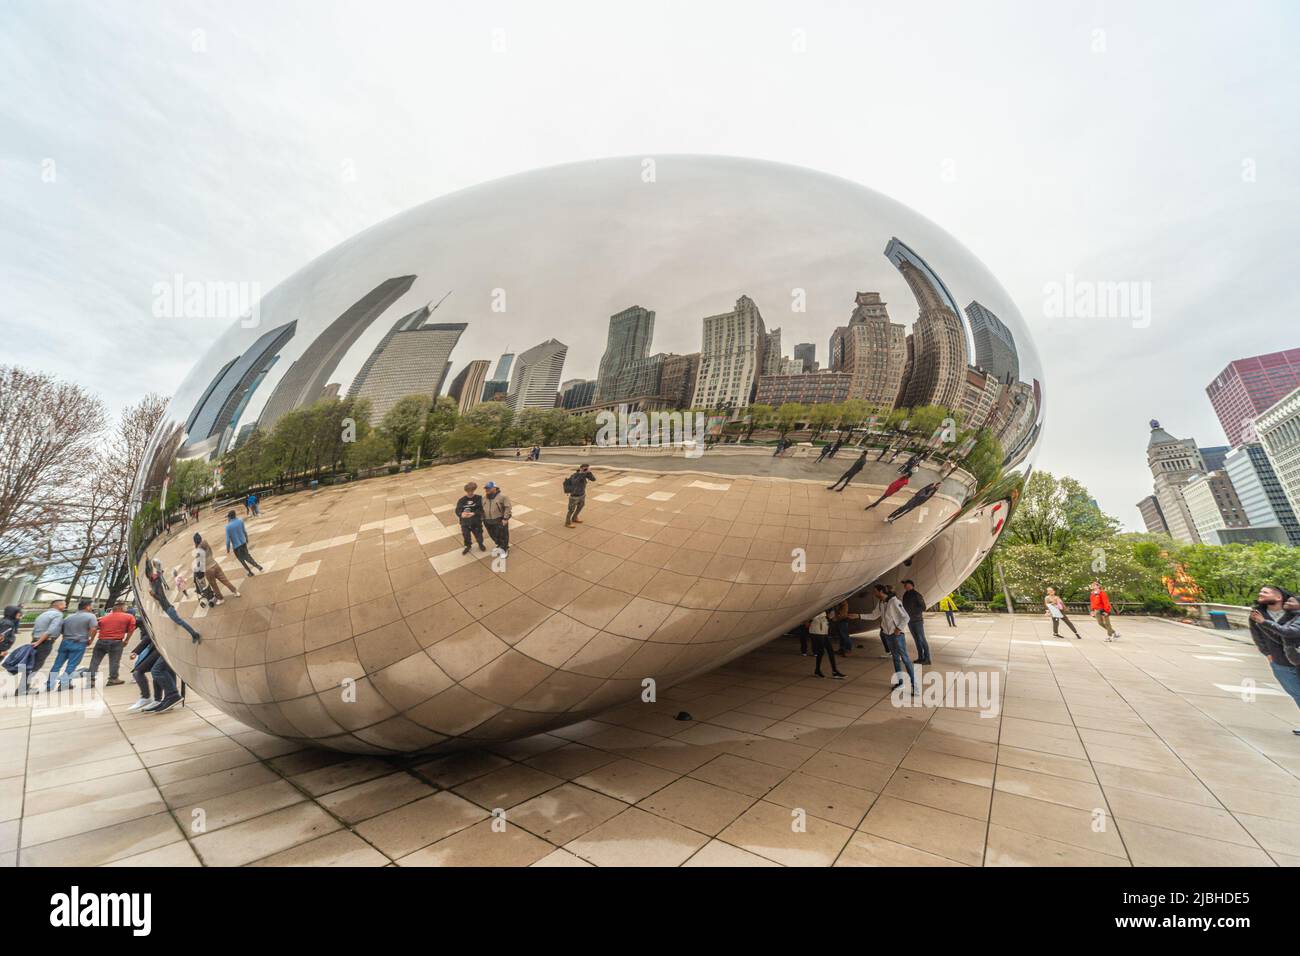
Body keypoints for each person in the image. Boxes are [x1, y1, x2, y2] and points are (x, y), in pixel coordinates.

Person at [1249, 589, 1300, 734]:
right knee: (1296, 692)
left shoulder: (1294, 611)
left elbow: (1288, 633)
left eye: (1265, 592)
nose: (1261, 594)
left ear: (1278, 596)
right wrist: (1268, 653)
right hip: (1280, 660)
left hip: (1297, 658)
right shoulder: (1257, 614)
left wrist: (1265, 623)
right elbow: (1257, 636)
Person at [858, 583, 917, 692]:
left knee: (905, 659)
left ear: (881, 592)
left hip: (897, 636)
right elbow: (874, 615)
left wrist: (898, 629)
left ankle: (915, 686)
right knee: (895, 659)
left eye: (875, 591)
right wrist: (858, 616)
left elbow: (906, 617)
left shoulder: (894, 602)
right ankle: (900, 683)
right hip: (888, 635)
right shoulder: (881, 602)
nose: (874, 593)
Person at [47, 599, 97, 691]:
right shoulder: (91, 616)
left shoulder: (69, 617)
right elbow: (93, 629)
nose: (92, 607)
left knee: (57, 664)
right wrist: (90, 639)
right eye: (91, 606)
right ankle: (64, 683)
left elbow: (61, 629)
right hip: (79, 642)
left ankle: (49, 684)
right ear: (87, 606)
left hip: (65, 642)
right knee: (72, 665)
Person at [88, 599, 136, 686]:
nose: (126, 608)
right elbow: (131, 629)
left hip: (101, 641)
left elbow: (95, 628)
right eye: (125, 607)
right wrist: (127, 640)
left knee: (95, 661)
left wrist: (91, 639)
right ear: (120, 608)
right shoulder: (129, 617)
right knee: (114, 661)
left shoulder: (104, 618)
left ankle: (90, 679)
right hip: (116, 642)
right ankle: (113, 679)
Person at [148, 568, 202, 644]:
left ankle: (195, 634)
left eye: (151, 581)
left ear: (153, 581)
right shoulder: (156, 586)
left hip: (169, 609)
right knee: (180, 622)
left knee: (181, 622)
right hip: (168, 609)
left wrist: (154, 595)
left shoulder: (158, 587)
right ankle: (193, 634)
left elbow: (162, 599)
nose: (150, 584)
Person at [27, 599, 65, 692]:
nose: (65, 606)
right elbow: (50, 630)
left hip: (35, 640)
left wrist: (35, 640)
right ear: (58, 605)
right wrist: (39, 642)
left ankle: (25, 685)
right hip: (44, 642)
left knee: (32, 664)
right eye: (64, 604)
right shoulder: (58, 614)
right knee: (37, 665)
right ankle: (24, 687)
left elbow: (35, 629)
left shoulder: (43, 614)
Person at [127, 613, 162, 711]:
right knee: (140, 672)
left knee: (156, 672)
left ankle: (155, 698)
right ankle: (152, 698)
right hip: (152, 647)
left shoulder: (153, 617)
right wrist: (136, 651)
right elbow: (149, 636)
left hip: (159, 649)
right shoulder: (145, 617)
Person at [194, 532, 238, 599]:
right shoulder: (206, 543)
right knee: (225, 580)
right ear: (200, 538)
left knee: (214, 585)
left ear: (195, 541)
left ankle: (220, 599)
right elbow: (211, 552)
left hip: (208, 569)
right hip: (215, 564)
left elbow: (199, 563)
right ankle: (235, 592)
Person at [900, 579, 933, 665]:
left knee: (922, 639)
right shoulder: (905, 595)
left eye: (906, 584)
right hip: (910, 621)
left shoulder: (916, 595)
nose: (904, 586)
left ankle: (927, 659)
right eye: (904, 584)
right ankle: (920, 657)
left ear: (911, 585)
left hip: (917, 621)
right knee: (917, 640)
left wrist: (912, 612)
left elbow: (923, 607)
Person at [807, 609, 845, 679]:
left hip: (823, 631)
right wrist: (825, 615)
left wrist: (832, 613)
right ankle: (818, 670)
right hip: (817, 631)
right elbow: (812, 617)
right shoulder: (817, 606)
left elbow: (830, 618)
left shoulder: (825, 607)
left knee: (830, 651)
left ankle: (834, 671)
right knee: (821, 652)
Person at [224, 510, 264, 575]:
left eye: (228, 517)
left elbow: (228, 540)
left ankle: (250, 572)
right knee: (247, 555)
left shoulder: (227, 527)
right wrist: (247, 539)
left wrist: (228, 550)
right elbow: (244, 531)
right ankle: (257, 566)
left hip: (236, 547)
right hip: (243, 542)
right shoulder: (240, 521)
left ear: (229, 517)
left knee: (242, 560)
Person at [455, 482, 486, 555]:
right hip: (465, 522)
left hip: (476, 522)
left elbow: (481, 509)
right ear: (466, 491)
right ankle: (468, 546)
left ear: (474, 490)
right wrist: (461, 514)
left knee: (479, 534)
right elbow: (458, 510)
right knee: (466, 535)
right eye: (468, 491)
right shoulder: (461, 500)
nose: (470, 493)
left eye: (472, 491)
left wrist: (474, 513)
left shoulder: (478, 498)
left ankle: (480, 544)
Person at [483, 481, 512, 554]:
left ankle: (504, 548)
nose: (487, 490)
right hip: (487, 521)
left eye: (489, 488)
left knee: (503, 535)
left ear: (494, 488)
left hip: (499, 520)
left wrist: (505, 518)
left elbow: (508, 508)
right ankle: (499, 545)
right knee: (493, 535)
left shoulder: (503, 497)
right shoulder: (484, 498)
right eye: (486, 488)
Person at [564, 463, 596, 528]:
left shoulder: (586, 474)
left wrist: (589, 473)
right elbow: (575, 482)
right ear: (581, 468)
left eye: (587, 468)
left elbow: (593, 479)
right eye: (585, 468)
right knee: (571, 510)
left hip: (582, 495)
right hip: (574, 496)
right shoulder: (574, 475)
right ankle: (567, 523)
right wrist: (582, 473)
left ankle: (574, 518)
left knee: (580, 507)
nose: (586, 470)